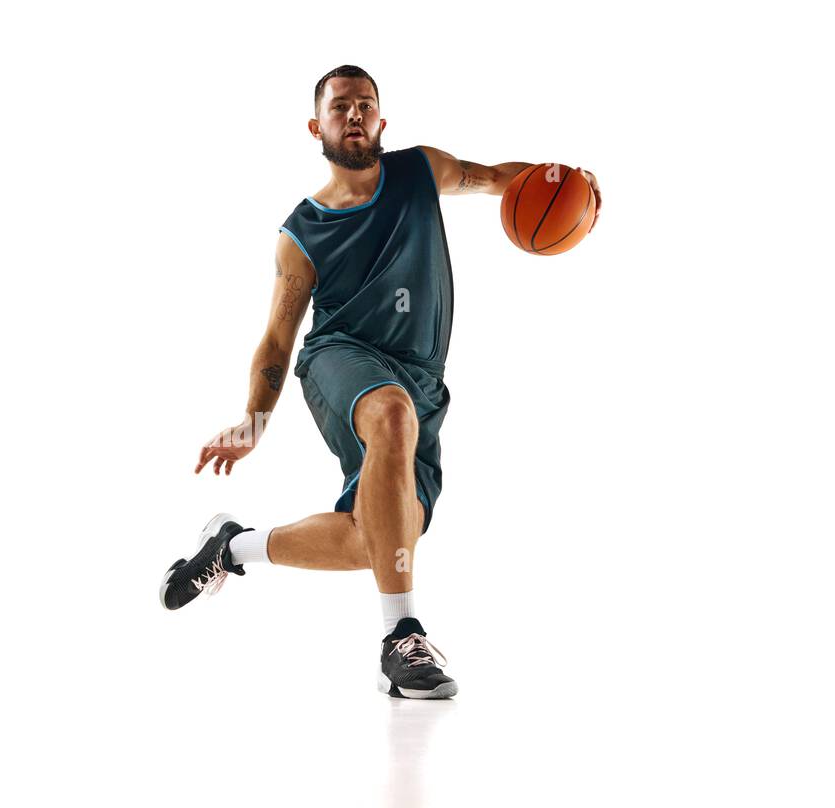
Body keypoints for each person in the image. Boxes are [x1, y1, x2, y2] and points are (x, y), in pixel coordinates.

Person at [159, 65, 601, 700]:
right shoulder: (302, 233)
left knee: (380, 539)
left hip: (422, 380)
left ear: (383, 122)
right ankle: (402, 639)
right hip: (340, 358)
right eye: (341, 106)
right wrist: (252, 424)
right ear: (317, 127)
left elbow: (507, 180)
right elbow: (279, 339)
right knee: (391, 414)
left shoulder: (421, 171)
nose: (355, 114)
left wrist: (569, 183)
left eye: (366, 104)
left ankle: (232, 547)